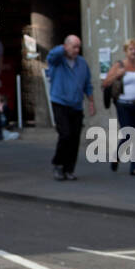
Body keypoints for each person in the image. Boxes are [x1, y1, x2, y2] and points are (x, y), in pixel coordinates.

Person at [46, 34, 96, 181]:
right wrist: (63, 49)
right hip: (60, 102)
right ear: (66, 46)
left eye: (78, 47)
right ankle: (58, 164)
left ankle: (69, 169)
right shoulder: (57, 61)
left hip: (76, 105)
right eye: (74, 47)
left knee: (74, 138)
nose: (77, 50)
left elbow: (88, 84)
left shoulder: (82, 63)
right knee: (65, 134)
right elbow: (51, 55)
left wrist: (91, 102)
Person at [101, 40, 135, 176]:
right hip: (124, 105)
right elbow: (105, 83)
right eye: (131, 49)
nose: (133, 52)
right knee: (129, 135)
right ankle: (117, 156)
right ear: (126, 51)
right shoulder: (119, 65)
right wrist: (117, 74)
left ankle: (134, 167)